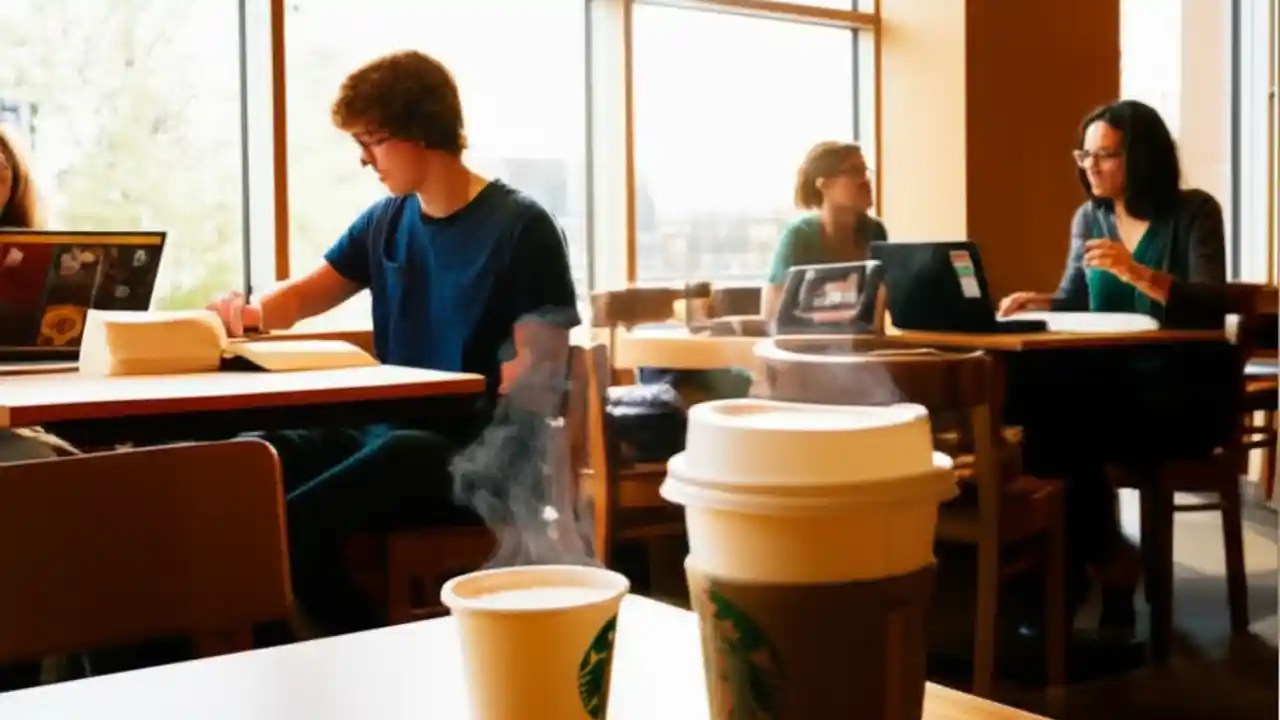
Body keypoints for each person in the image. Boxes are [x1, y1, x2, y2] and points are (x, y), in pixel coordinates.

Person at [206, 51, 579, 634]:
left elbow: (538, 388)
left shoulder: (521, 227)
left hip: (480, 455)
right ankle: (329, 642)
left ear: (420, 130)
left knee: (300, 517)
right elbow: (303, 297)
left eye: (372, 140)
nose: (363, 159)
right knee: (249, 458)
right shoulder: (386, 221)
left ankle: (349, 649)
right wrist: (241, 316)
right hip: (395, 435)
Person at [997, 100, 1235, 634]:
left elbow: (1214, 303)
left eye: (1105, 155)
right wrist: (1038, 302)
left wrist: (1139, 274)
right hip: (1106, 384)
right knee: (1033, 408)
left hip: (1182, 390)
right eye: (1085, 155)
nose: (1091, 167)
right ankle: (1099, 564)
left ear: (1142, 156)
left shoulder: (1195, 211)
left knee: (1058, 423)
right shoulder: (1090, 217)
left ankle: (1086, 573)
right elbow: (1071, 301)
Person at [761, 141, 887, 320]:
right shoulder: (798, 238)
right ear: (823, 184)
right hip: (804, 344)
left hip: (860, 342)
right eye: (853, 171)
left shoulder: (874, 232)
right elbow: (771, 316)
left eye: (865, 171)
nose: (865, 180)